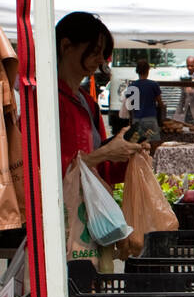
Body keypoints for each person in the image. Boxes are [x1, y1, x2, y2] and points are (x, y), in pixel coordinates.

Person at [56, 12, 142, 183]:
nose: (101, 60)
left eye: (103, 53)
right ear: (66, 46)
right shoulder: (45, 101)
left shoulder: (87, 103)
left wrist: (127, 151)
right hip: (61, 208)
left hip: (87, 205)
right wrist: (106, 152)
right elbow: (48, 175)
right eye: (95, 51)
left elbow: (103, 171)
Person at [124, 59, 165, 145]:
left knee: (137, 144)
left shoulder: (132, 86)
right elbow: (160, 103)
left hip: (137, 120)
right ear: (148, 70)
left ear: (137, 71)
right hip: (150, 119)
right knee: (153, 144)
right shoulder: (153, 85)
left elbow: (129, 105)